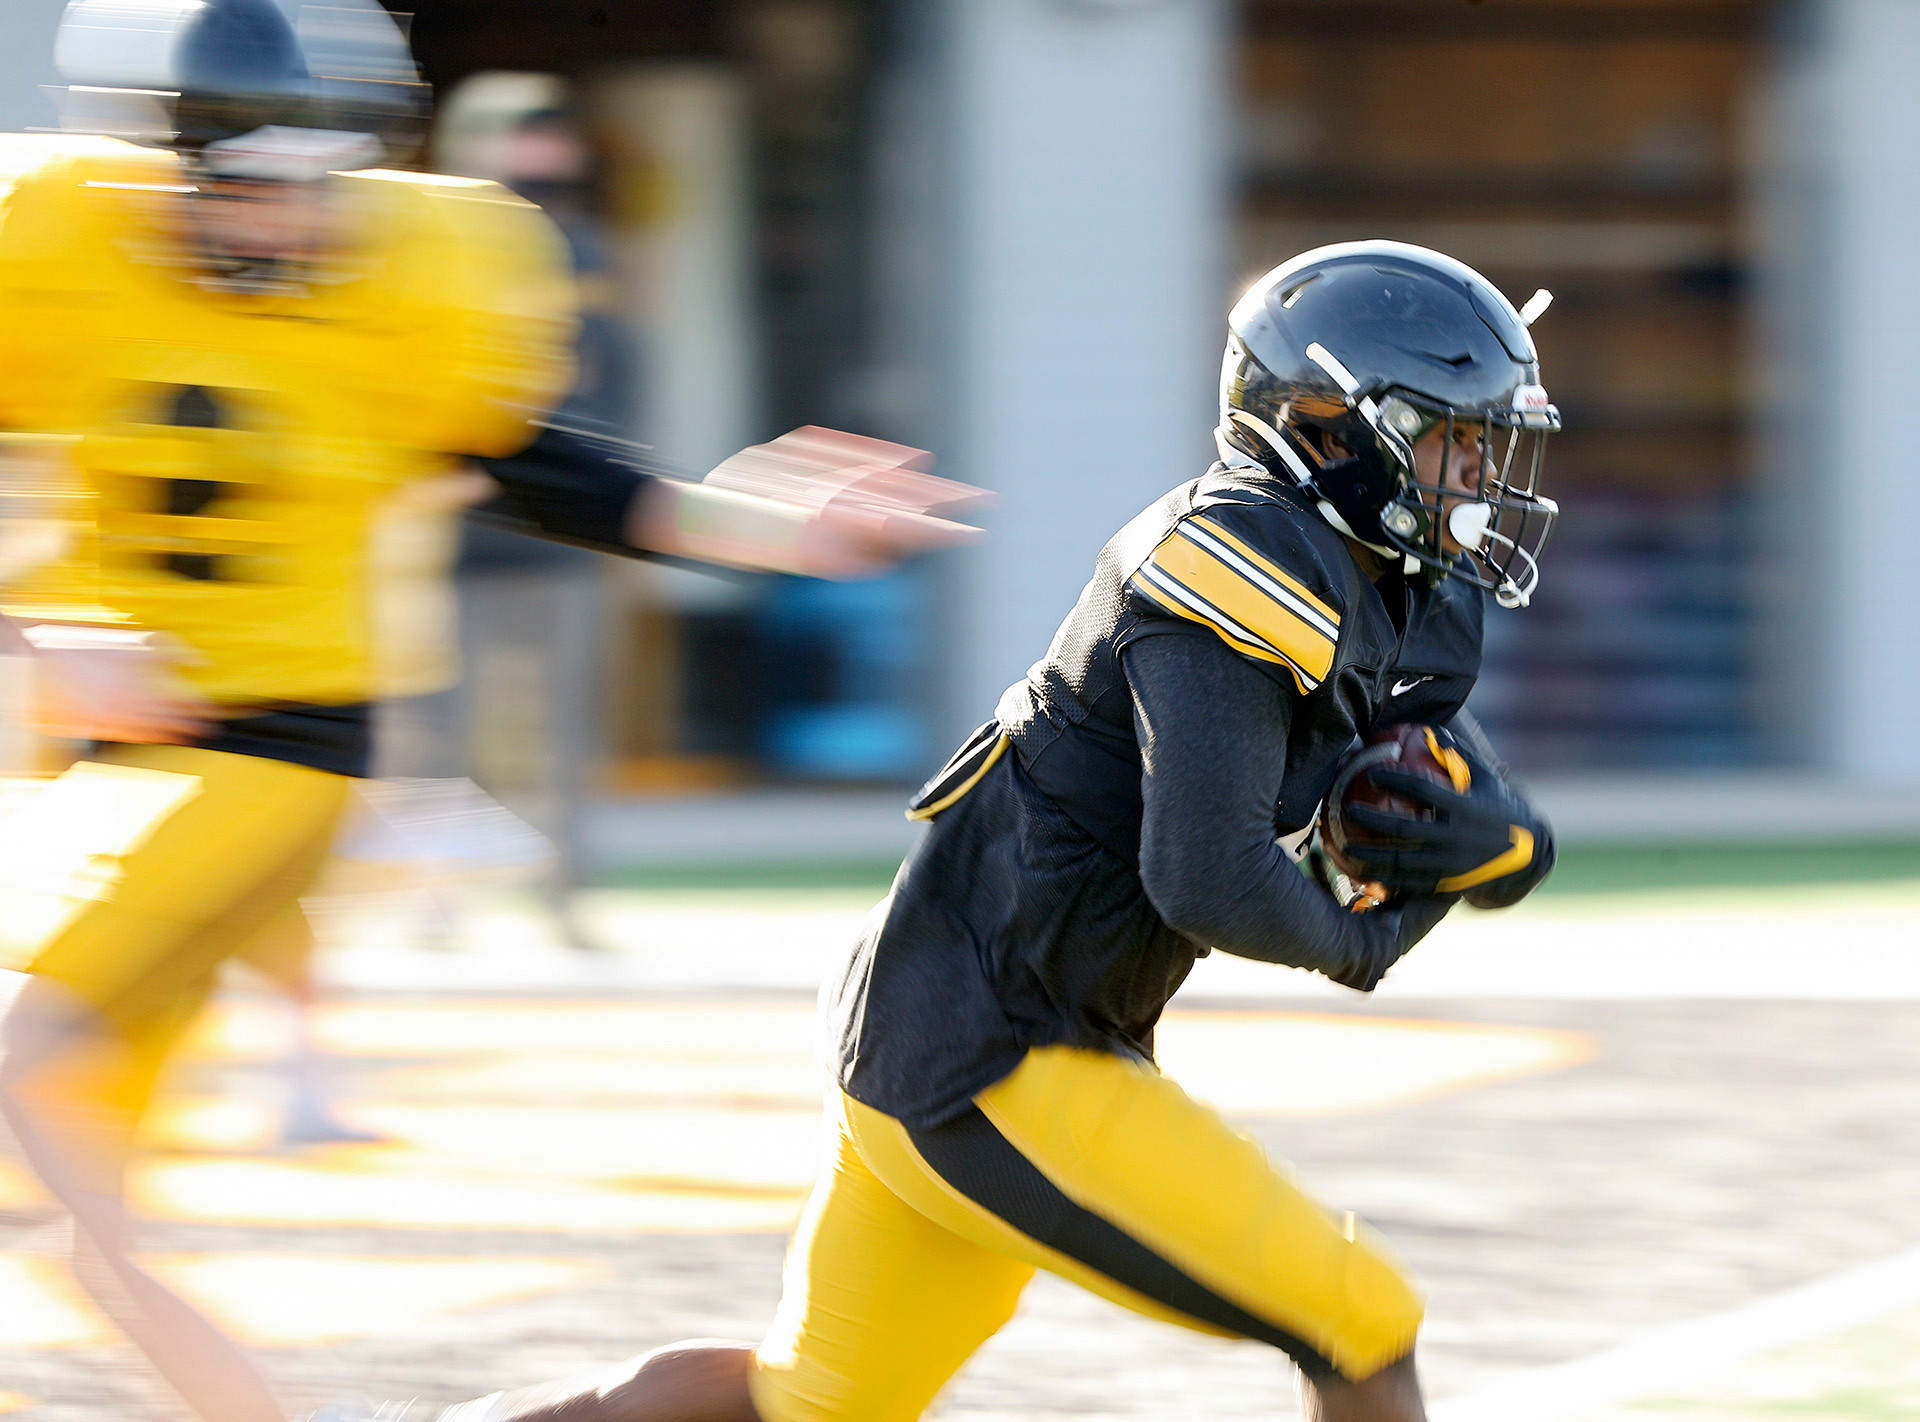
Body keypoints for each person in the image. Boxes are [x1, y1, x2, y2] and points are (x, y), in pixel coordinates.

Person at [0, 5, 980, 1422]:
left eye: (321, 179)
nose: (301, 220)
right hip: (113, 771)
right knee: (79, 1224)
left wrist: (757, 528)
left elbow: (545, 471)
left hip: (274, 755)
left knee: (23, 1075)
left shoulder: (407, 275)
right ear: (171, 166)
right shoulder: (59, 240)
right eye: (258, 180)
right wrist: (37, 636)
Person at [412, 241, 1563, 1422]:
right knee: (1360, 1320)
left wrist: (1514, 847)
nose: (1476, 473)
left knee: (812, 1400)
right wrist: (1363, 940)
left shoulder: (1390, 582)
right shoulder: (1242, 560)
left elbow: (1438, 786)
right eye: (1451, 437)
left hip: (949, 1013)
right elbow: (1205, 877)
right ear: (1332, 428)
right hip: (995, 1051)